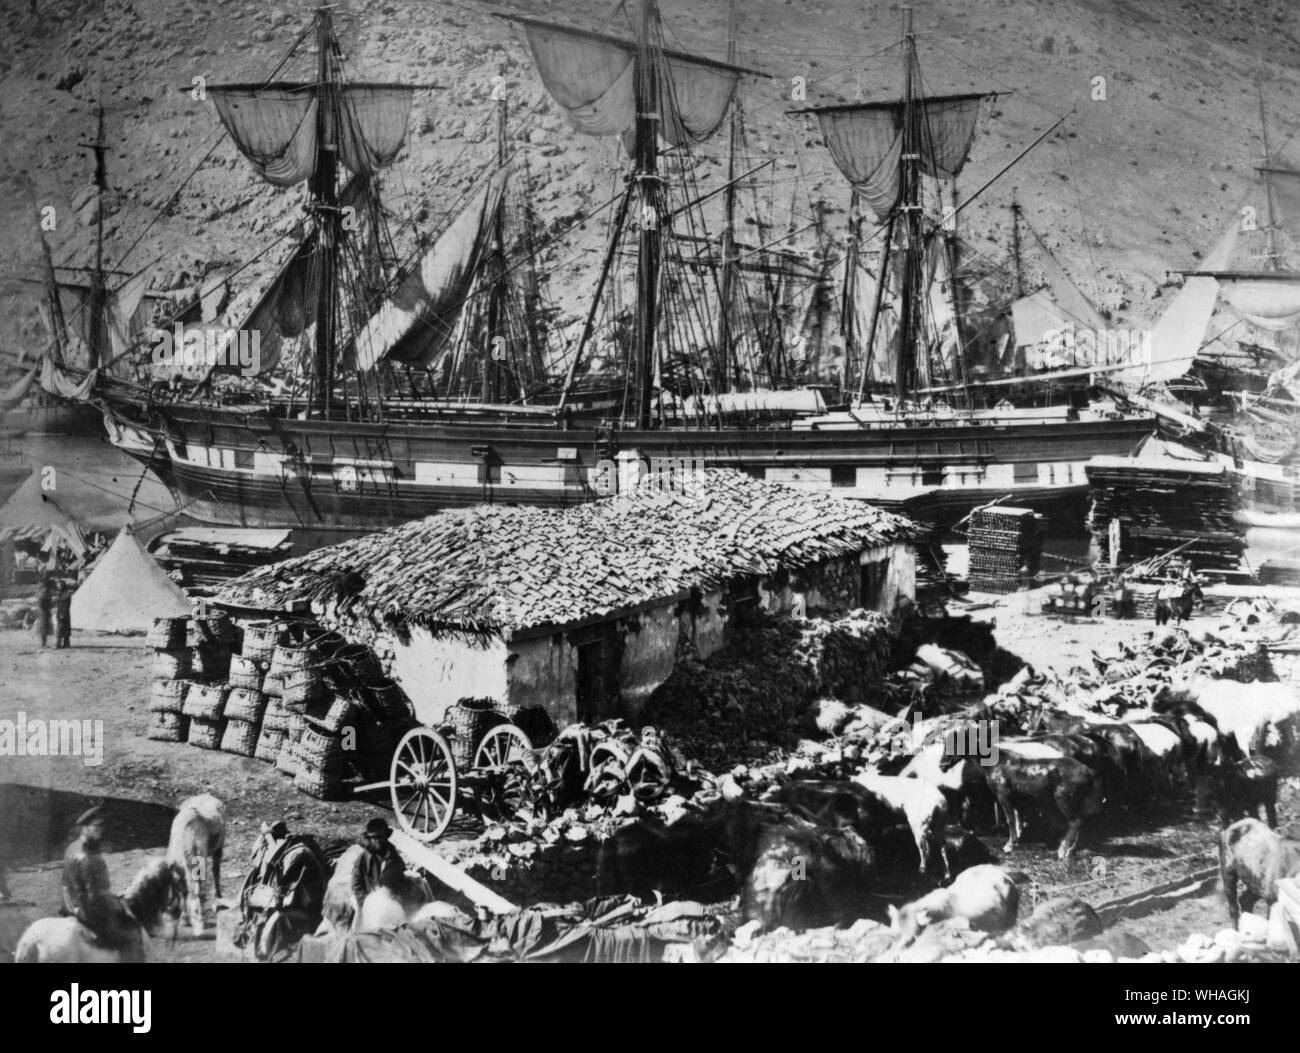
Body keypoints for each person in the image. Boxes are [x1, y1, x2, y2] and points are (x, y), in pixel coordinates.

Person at [61, 806, 133, 947]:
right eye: (96, 826)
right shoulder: (87, 857)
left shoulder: (73, 846)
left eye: (102, 826)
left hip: (68, 905)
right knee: (128, 934)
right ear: (84, 828)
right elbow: (94, 896)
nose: (101, 829)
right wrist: (115, 903)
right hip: (85, 911)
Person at [350, 818, 404, 906]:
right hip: (367, 902)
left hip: (389, 903)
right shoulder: (363, 858)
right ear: (369, 839)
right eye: (374, 838)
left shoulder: (394, 859)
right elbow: (356, 884)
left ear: (386, 836)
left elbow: (399, 884)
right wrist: (366, 902)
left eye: (380, 837)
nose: (377, 841)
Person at [33, 575, 53, 648]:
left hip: (44, 611)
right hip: (44, 611)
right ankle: (43, 643)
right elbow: (42, 602)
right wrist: (47, 608)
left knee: (44, 627)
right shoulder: (44, 591)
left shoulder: (42, 590)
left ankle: (44, 643)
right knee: (43, 627)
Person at [54, 579, 72, 649]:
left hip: (63, 614)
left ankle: (58, 644)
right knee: (64, 629)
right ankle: (66, 644)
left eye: (59, 585)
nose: (58, 586)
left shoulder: (66, 594)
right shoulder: (63, 593)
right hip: (62, 613)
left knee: (61, 629)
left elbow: (66, 605)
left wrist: (62, 614)